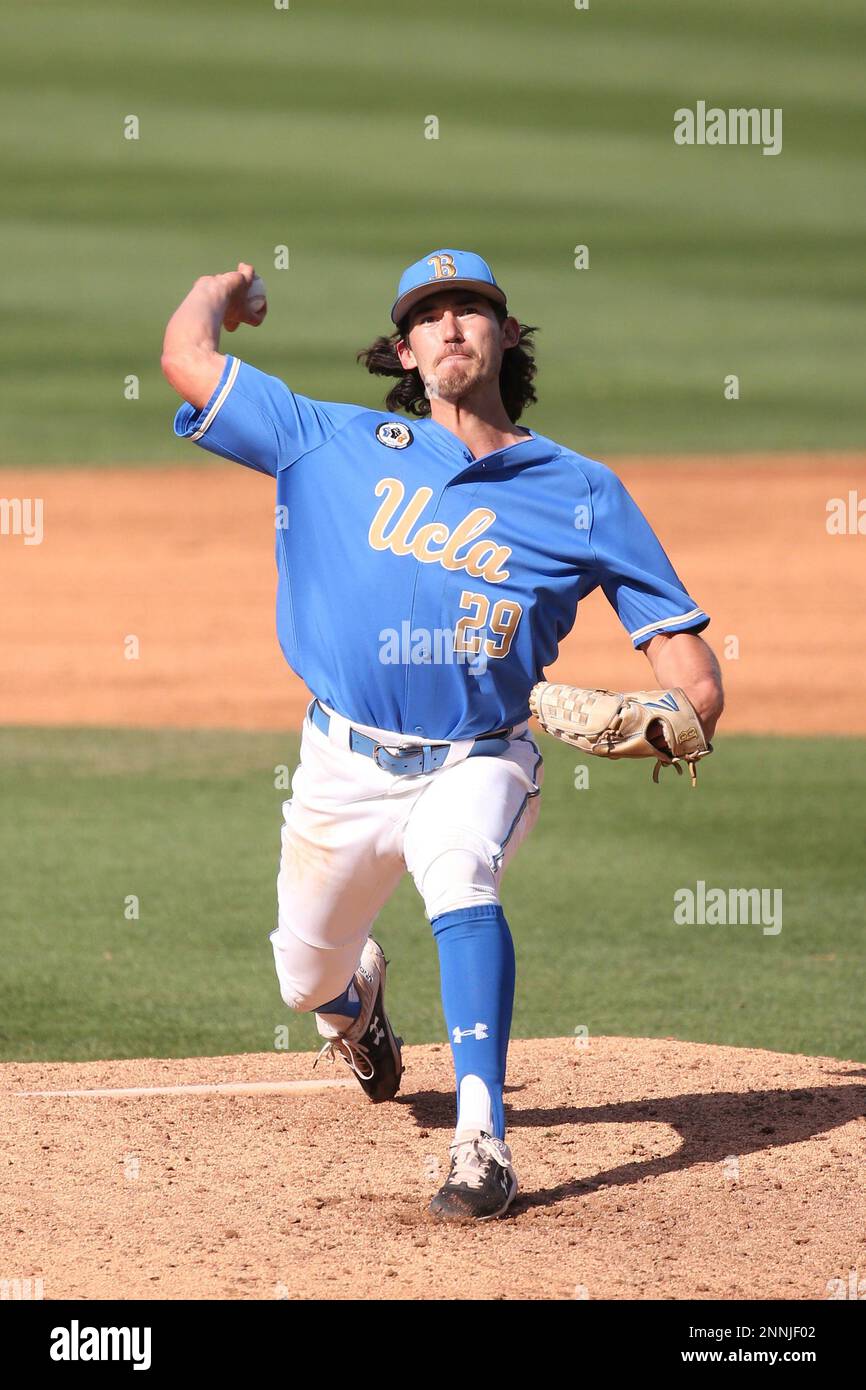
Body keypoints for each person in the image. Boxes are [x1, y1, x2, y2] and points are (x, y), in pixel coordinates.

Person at [161, 248, 724, 1221]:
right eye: (430, 315)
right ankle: (358, 1009)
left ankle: (480, 1141)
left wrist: (678, 719)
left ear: (506, 335)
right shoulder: (325, 441)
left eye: (470, 309)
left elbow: (688, 666)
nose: (451, 325)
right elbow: (184, 358)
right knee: (304, 976)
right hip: (339, 766)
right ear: (403, 349)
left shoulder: (581, 491)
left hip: (477, 757)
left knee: (461, 875)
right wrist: (224, 290)